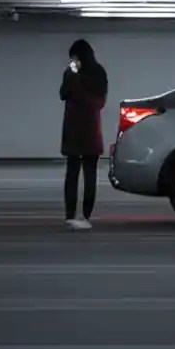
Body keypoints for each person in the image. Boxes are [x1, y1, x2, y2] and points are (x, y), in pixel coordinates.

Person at [59, 39, 108, 230]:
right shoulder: (70, 73)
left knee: (89, 175)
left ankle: (86, 214)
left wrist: (77, 83)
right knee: (72, 173)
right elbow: (62, 93)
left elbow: (98, 102)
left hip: (88, 128)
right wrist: (71, 76)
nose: (73, 62)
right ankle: (70, 215)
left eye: (76, 58)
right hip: (73, 128)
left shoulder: (98, 73)